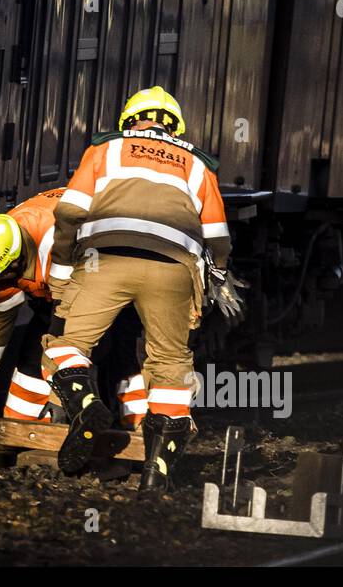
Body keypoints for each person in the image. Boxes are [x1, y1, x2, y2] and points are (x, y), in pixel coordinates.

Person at [41, 86, 245, 491]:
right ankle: (156, 475)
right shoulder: (198, 165)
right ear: (174, 126)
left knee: (65, 343)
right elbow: (219, 238)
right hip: (173, 268)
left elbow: (69, 212)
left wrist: (62, 273)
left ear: (129, 121)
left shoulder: (105, 149)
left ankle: (86, 406)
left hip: (107, 259)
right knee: (170, 365)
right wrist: (217, 277)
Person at [0, 189, 144, 427]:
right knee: (32, 361)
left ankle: (139, 430)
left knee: (121, 356)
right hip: (62, 294)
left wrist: (61, 395)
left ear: (16, 261)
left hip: (115, 280)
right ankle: (23, 429)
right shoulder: (4, 247)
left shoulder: (62, 244)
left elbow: (72, 327)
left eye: (1, 276)